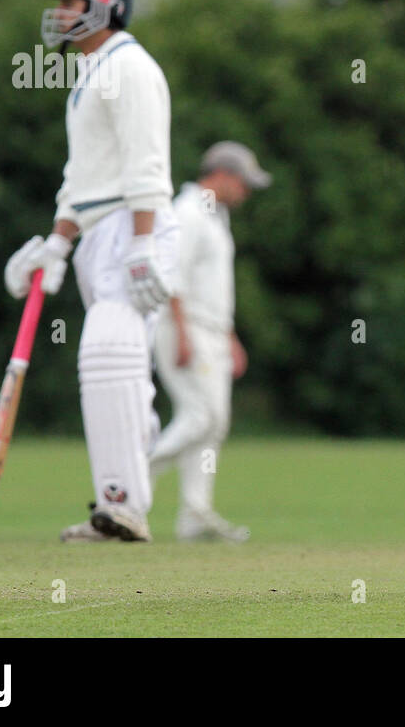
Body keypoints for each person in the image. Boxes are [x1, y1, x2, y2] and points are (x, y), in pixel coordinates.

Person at [5, 0, 178, 543]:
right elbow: (81, 177)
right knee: (119, 371)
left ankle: (124, 506)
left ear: (103, 7)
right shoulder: (90, 72)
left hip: (134, 228)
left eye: (69, 3)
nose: (58, 13)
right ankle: (117, 503)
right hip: (103, 232)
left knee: (109, 359)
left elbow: (145, 161)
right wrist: (57, 241)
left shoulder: (129, 66)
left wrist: (144, 241)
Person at [149, 142, 270, 542]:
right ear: (220, 174)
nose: (246, 193)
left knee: (213, 424)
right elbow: (174, 276)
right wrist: (181, 332)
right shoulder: (188, 213)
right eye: (243, 182)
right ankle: (131, 482)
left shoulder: (215, 217)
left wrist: (230, 337)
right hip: (186, 328)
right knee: (201, 417)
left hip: (212, 330)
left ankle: (194, 516)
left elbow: (214, 287)